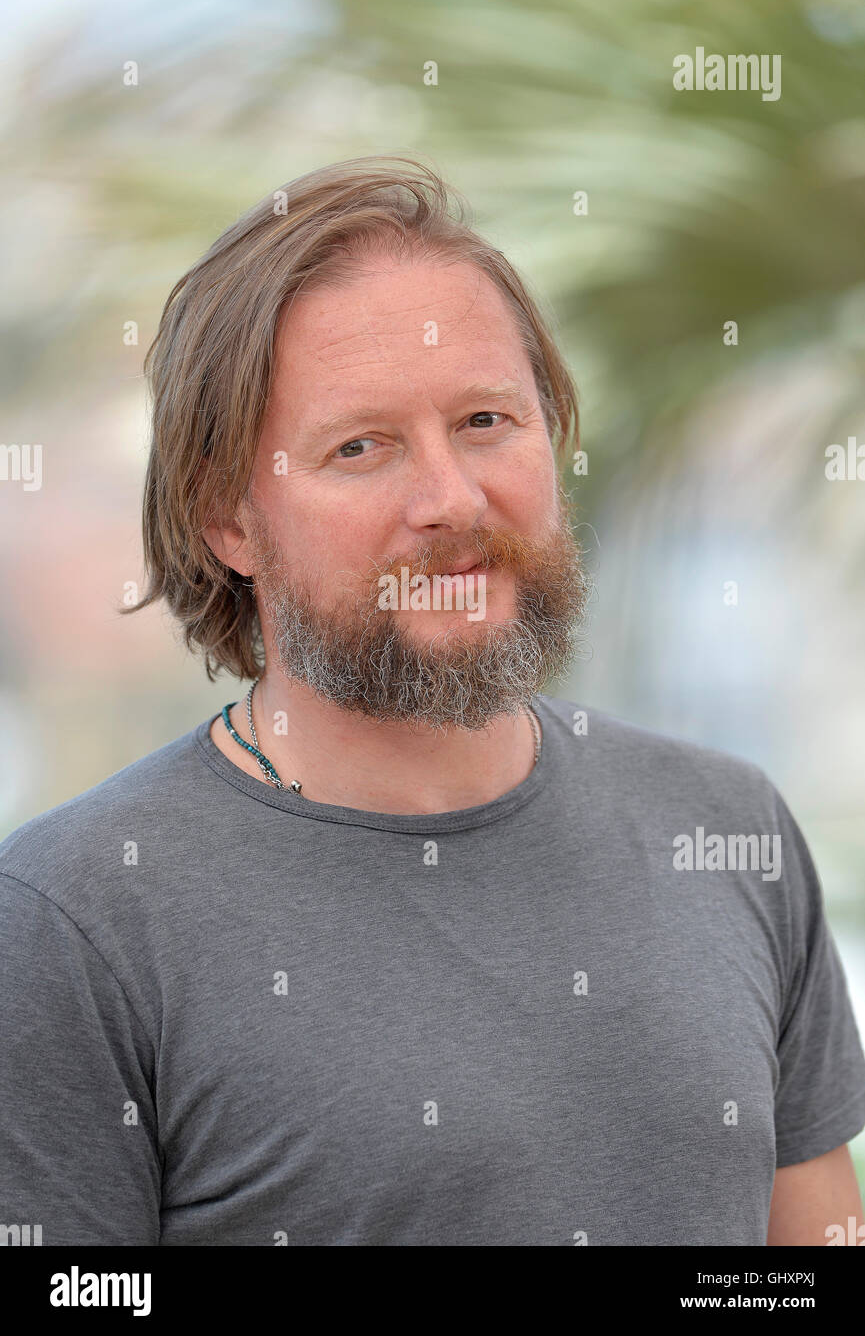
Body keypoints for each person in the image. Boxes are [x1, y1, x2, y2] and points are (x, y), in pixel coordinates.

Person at [1, 155, 863, 1247]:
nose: (450, 500)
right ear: (227, 519)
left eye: (487, 421)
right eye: (359, 447)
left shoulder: (728, 830)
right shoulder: (70, 921)